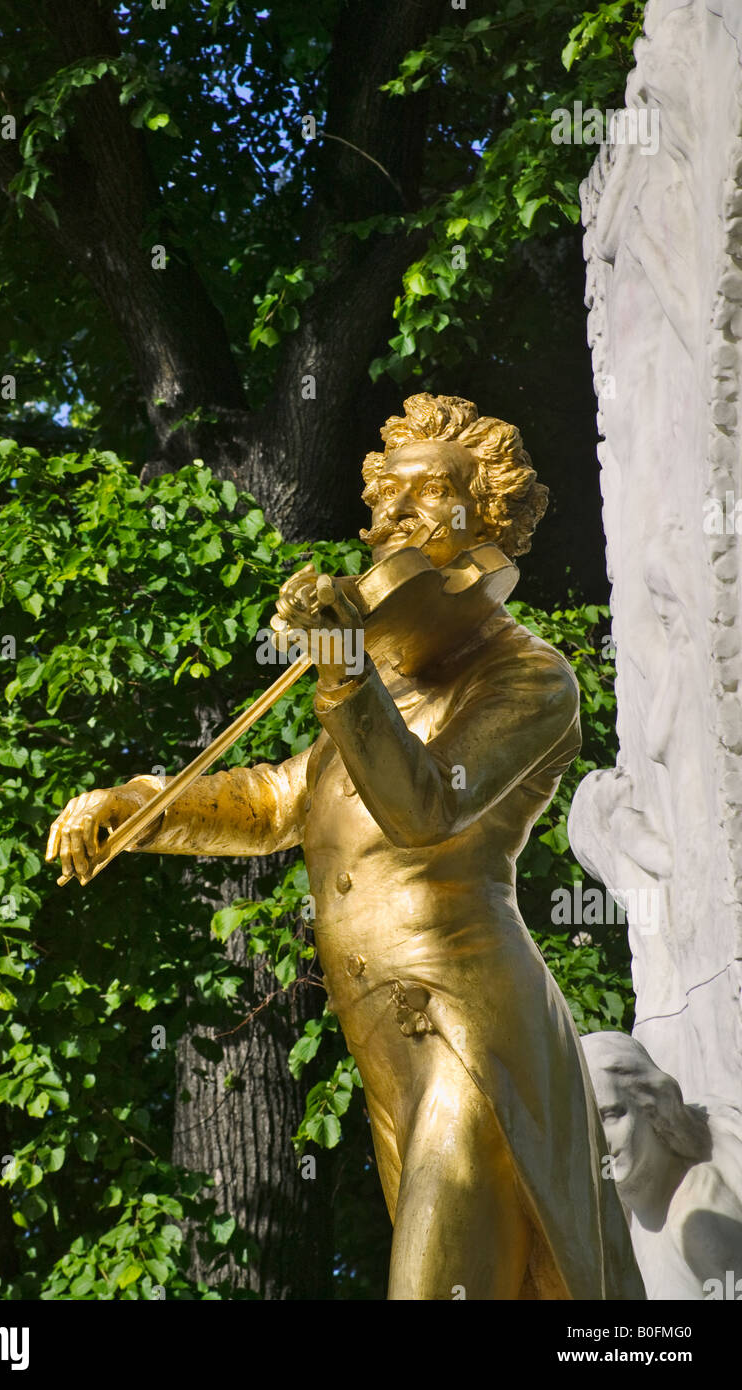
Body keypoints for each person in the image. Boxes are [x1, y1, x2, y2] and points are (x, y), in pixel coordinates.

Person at [47, 393, 644, 1300]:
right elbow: (275, 800)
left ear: (483, 514)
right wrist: (135, 805)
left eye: (420, 500)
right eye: (380, 503)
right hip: (383, 1050)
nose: (385, 525)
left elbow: (426, 808)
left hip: (466, 1027)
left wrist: (343, 674)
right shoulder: (385, 672)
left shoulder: (526, 676)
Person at [582, 1030, 742, 1299]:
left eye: (609, 1116)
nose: (599, 1141)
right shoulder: (619, 1202)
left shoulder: (697, 1219)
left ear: (651, 1107)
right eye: (585, 1124)